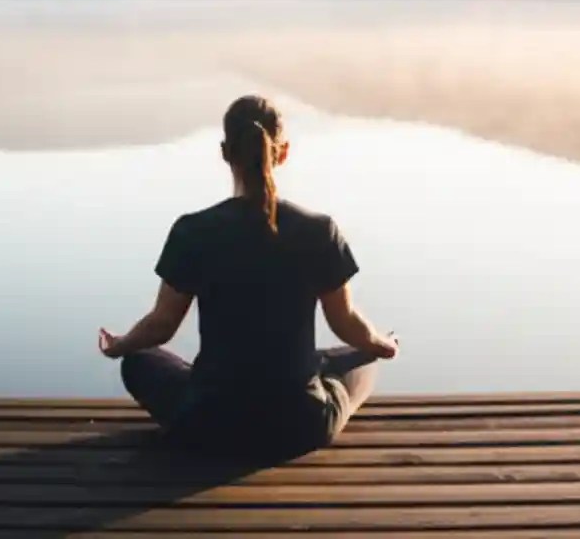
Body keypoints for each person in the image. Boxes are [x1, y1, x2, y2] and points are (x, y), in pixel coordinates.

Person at [98, 95, 398, 457]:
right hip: (300, 424)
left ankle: (215, 384)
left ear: (225, 152)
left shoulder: (192, 231)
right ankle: (323, 371)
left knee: (138, 360)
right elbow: (347, 323)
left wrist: (121, 345)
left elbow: (162, 326)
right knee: (360, 357)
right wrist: (382, 345)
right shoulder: (319, 230)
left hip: (208, 421)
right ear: (282, 152)